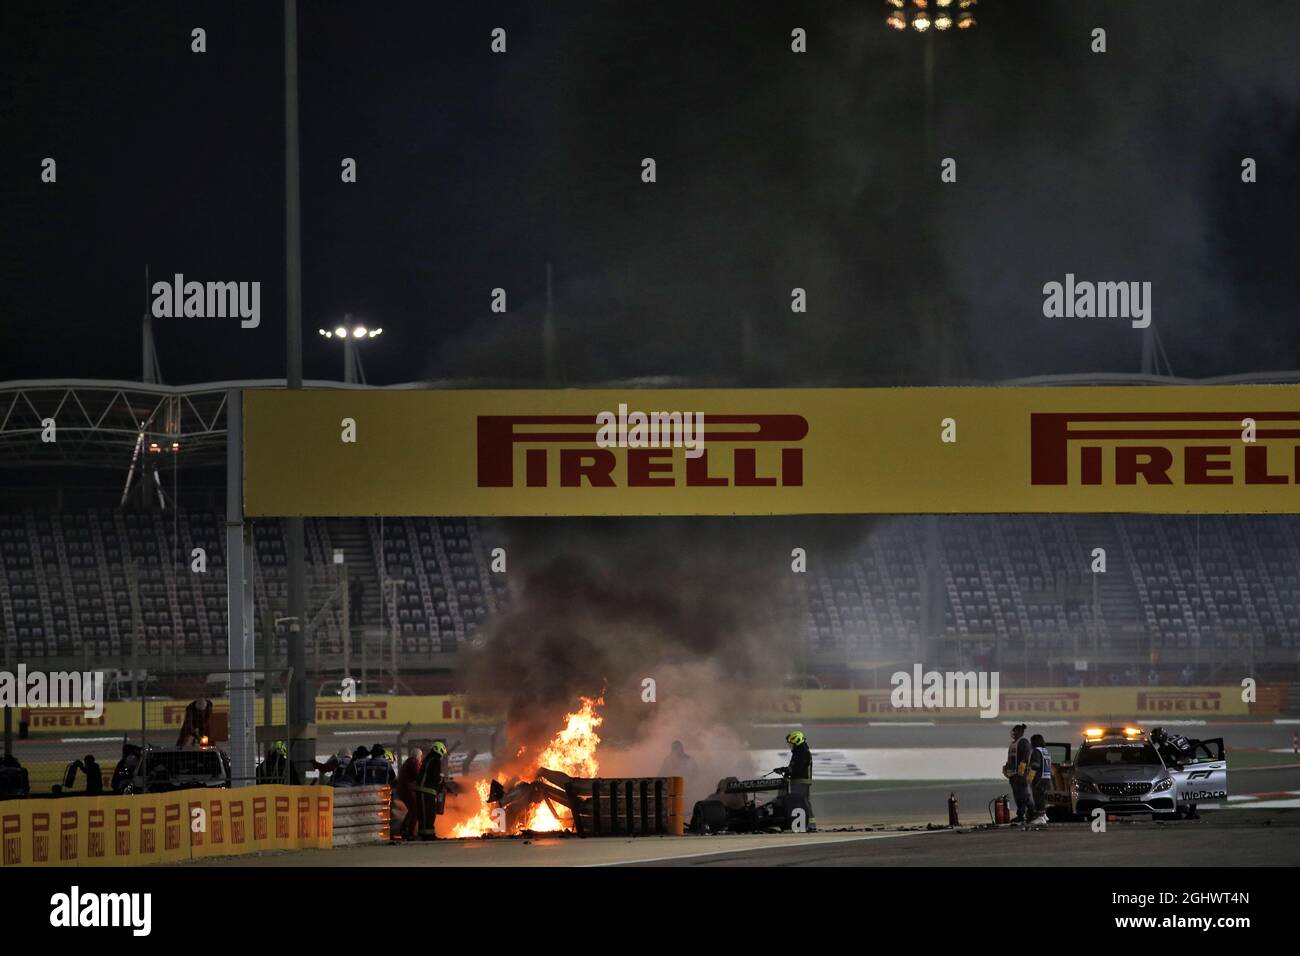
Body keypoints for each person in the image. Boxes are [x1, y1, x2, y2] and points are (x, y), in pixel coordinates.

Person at [780, 730, 815, 831]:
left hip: (802, 781)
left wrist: (787, 770)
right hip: (797, 781)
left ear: (797, 742)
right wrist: (785, 770)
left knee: (803, 802)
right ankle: (800, 825)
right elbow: (793, 767)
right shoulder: (798, 752)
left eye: (791, 744)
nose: (790, 746)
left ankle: (810, 825)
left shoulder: (803, 752)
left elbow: (798, 768)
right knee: (799, 802)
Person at [415, 741, 447, 840]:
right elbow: (434, 776)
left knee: (427, 813)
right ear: (439, 749)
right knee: (427, 813)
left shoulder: (428, 759)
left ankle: (426, 834)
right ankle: (427, 835)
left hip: (426, 791)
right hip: (426, 790)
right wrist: (441, 778)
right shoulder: (435, 760)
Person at [1003, 724, 1034, 823]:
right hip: (1013, 775)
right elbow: (1011, 758)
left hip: (1020, 775)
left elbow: (1026, 757)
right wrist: (1006, 768)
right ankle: (1021, 815)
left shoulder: (1023, 742)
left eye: (1015, 731)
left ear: (1020, 732)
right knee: (1018, 796)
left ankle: (1032, 813)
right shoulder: (1013, 744)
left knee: (1024, 795)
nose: (1013, 733)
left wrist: (1022, 770)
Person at [395, 749, 423, 840]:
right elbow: (418, 775)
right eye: (421, 756)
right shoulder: (414, 762)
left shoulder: (408, 762)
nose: (421, 758)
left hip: (404, 790)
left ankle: (404, 830)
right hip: (407, 790)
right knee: (415, 810)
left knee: (412, 810)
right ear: (418, 756)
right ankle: (410, 832)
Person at [1026, 734, 1051, 826]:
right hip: (1046, 777)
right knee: (1042, 796)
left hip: (1039, 778)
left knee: (1038, 797)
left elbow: (1035, 765)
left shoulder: (1036, 751)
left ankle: (1040, 817)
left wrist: (1030, 777)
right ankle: (1043, 815)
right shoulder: (1045, 751)